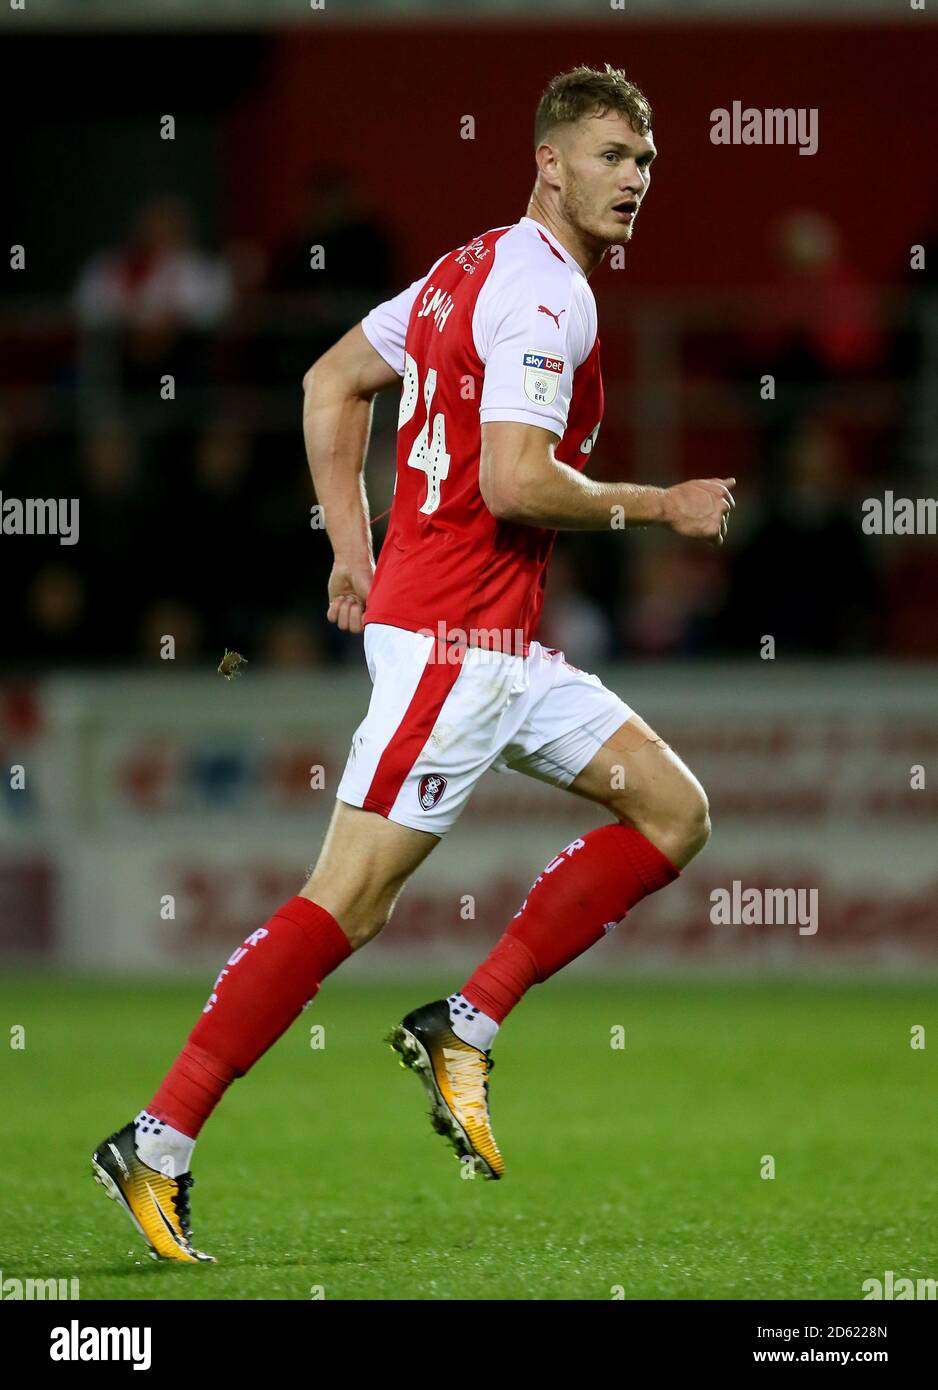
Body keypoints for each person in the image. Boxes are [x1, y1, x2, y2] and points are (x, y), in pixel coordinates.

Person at [91, 63, 735, 1263]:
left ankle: (466, 1021)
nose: (632, 180)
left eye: (643, 162)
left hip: (489, 635)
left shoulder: (463, 268)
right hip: (455, 642)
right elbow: (513, 480)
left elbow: (329, 379)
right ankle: (158, 1137)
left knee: (672, 811)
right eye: (608, 156)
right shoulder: (547, 299)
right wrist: (663, 504)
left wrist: (351, 553)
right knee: (348, 900)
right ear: (548, 160)